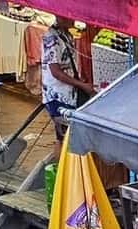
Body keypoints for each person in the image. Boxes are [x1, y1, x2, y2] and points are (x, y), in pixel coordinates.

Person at [41, 17, 94, 152]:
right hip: (58, 96)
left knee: (67, 136)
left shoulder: (66, 35)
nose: (73, 19)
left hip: (70, 93)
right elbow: (56, 72)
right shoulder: (51, 38)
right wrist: (81, 85)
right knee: (63, 137)